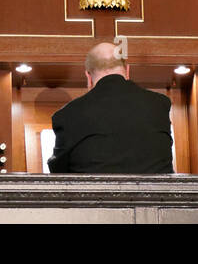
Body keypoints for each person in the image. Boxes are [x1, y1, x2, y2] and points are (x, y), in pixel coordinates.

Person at [46, 41, 174, 174]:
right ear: (127, 70)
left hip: (94, 194)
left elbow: (58, 174)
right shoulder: (159, 105)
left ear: (88, 77)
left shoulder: (67, 115)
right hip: (157, 194)